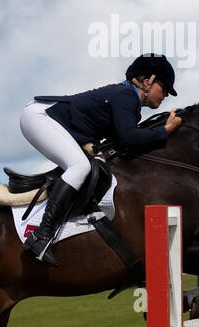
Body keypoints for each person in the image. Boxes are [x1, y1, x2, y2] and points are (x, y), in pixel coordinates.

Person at [17, 54, 183, 264]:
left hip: (45, 118)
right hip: (40, 117)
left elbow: (124, 141)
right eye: (164, 86)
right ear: (146, 81)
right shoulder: (125, 95)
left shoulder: (128, 99)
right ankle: (41, 234)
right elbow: (129, 137)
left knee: (88, 166)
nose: (166, 93)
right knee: (80, 166)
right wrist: (165, 130)